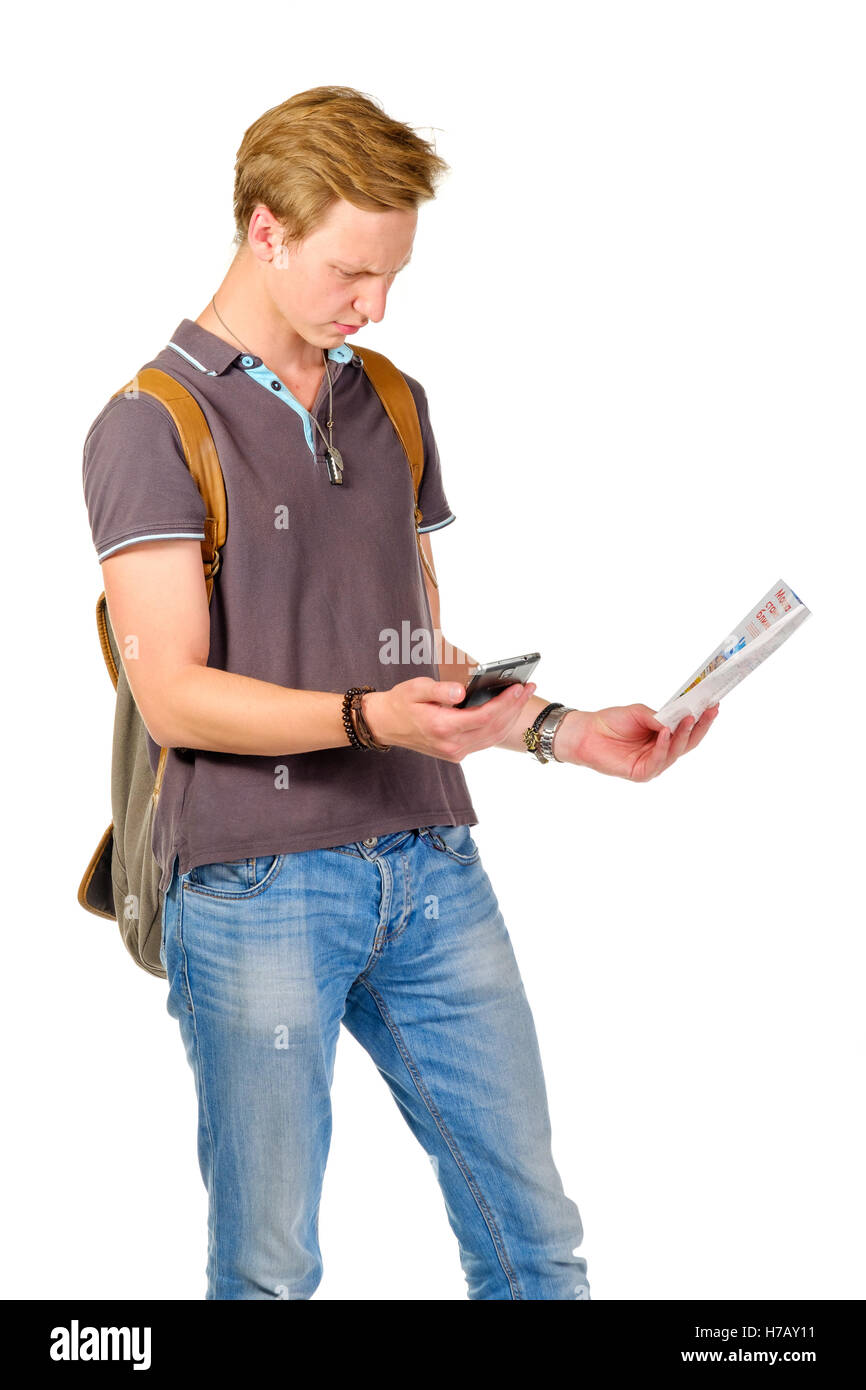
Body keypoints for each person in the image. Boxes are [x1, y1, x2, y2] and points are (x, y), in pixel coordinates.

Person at [82, 85, 718, 1301]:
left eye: (391, 276)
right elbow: (174, 698)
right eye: (349, 271)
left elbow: (407, 646)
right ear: (265, 229)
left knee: (534, 1241)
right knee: (270, 1272)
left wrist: (560, 731)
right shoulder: (148, 425)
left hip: (429, 866)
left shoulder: (389, 398)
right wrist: (366, 719)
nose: (372, 304)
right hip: (256, 882)